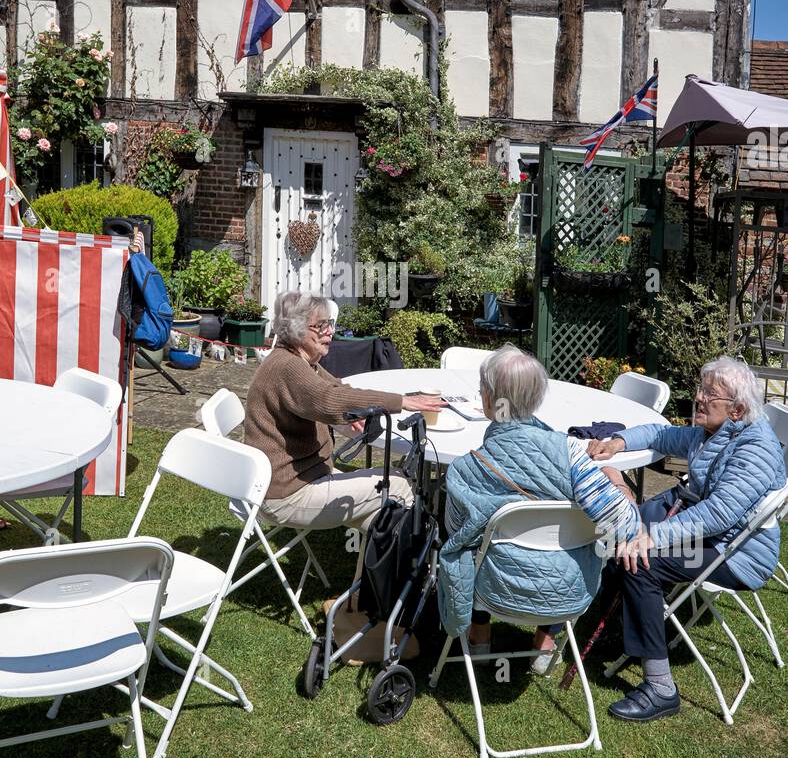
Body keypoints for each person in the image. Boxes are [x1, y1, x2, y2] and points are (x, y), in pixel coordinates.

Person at [589, 355, 786, 723]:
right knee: (619, 530)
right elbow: (661, 435)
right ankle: (621, 629)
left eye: (709, 394)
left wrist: (652, 539)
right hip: (712, 537)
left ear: (737, 408)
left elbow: (718, 515)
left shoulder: (754, 447)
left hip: (736, 555)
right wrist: (617, 442)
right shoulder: (715, 431)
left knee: (643, 564)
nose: (697, 398)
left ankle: (661, 688)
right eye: (700, 389)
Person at [439, 344, 641, 670]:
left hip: (496, 590)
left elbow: (455, 533)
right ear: (536, 399)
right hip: (569, 593)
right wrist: (617, 481)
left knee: (469, 543)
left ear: (489, 400)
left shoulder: (466, 468)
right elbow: (627, 525)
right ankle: (545, 646)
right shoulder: (573, 456)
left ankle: (479, 637)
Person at [244, 291, 446, 531]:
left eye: (330, 324)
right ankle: (419, 557)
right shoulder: (288, 367)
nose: (330, 331)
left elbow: (337, 388)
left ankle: (389, 560)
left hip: (298, 479)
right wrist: (401, 401)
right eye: (321, 326)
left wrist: (355, 411)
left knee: (382, 517)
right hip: (287, 495)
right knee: (399, 484)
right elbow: (329, 399)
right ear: (297, 329)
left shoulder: (303, 363)